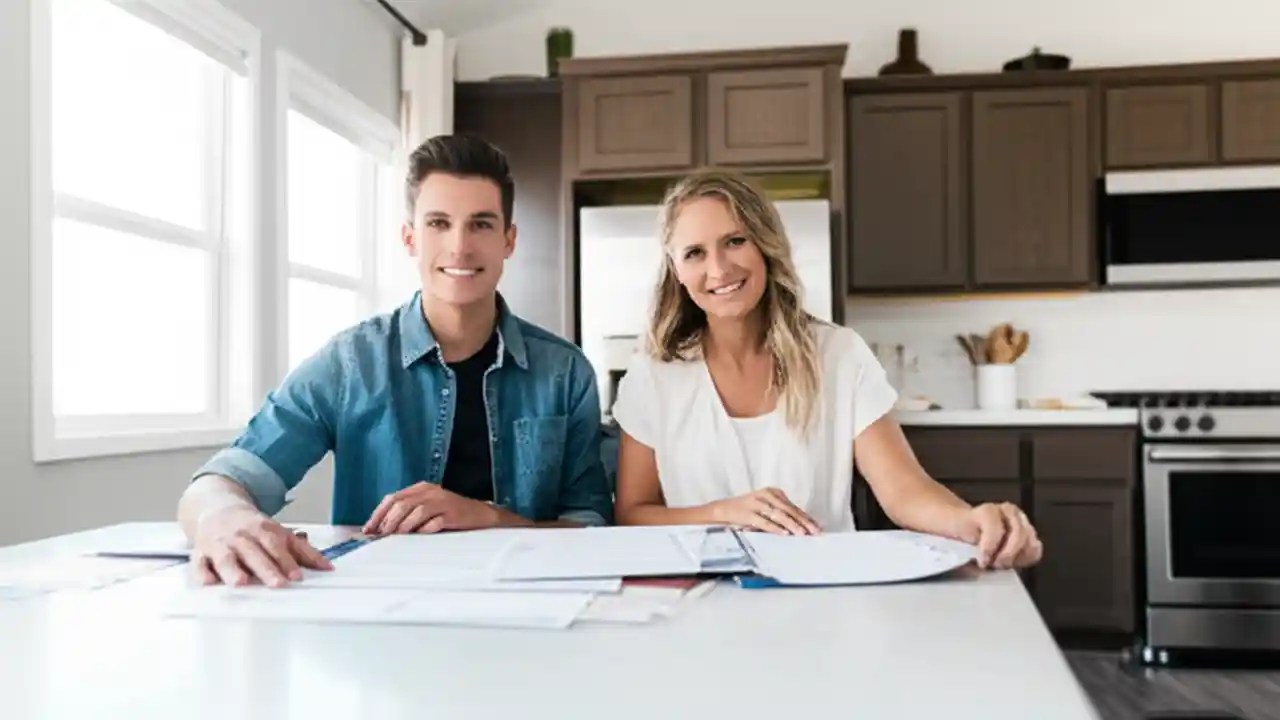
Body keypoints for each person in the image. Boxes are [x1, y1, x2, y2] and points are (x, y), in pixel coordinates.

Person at [178, 134, 613, 588]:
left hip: (529, 609)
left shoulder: (565, 372)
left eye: (481, 224)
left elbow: (592, 527)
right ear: (410, 238)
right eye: (439, 223)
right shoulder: (350, 363)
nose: (460, 247)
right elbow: (225, 478)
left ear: (509, 240)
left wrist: (488, 517)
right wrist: (223, 516)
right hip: (382, 612)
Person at [611, 170, 1042, 570]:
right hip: (701, 596)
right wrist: (724, 514)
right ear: (677, 271)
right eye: (695, 253)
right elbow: (632, 516)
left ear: (765, 243)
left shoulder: (839, 355)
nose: (719, 269)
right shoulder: (654, 376)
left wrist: (972, 522)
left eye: (735, 241)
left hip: (824, 590)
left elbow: (903, 490)